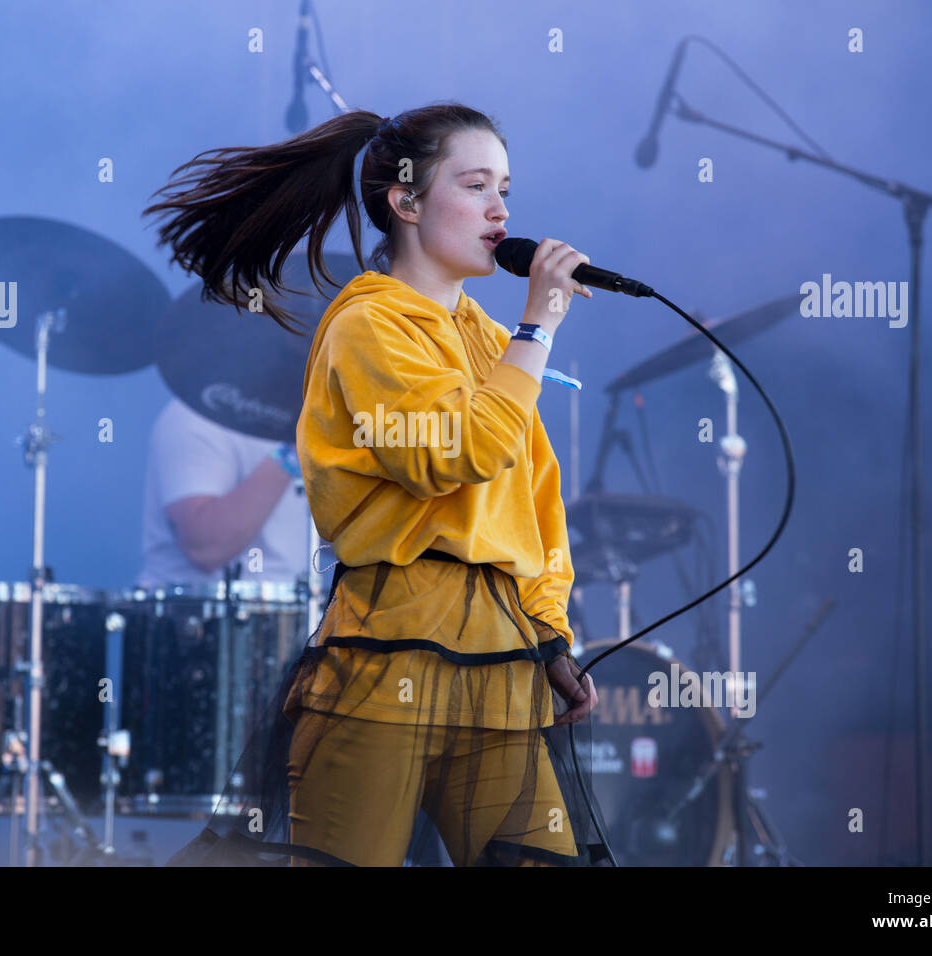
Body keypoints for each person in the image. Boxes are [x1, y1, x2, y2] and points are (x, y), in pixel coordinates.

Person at [147, 103, 604, 866]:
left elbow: (535, 508)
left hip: (501, 660)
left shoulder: (495, 342)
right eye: (476, 185)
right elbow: (453, 452)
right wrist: (538, 328)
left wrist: (550, 635)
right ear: (407, 202)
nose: (501, 210)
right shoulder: (369, 325)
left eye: (507, 190)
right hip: (388, 653)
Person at [136, 396, 309, 591]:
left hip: (292, 610)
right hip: (200, 615)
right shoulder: (191, 417)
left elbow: (332, 536)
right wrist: (292, 451)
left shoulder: (292, 416)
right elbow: (204, 548)